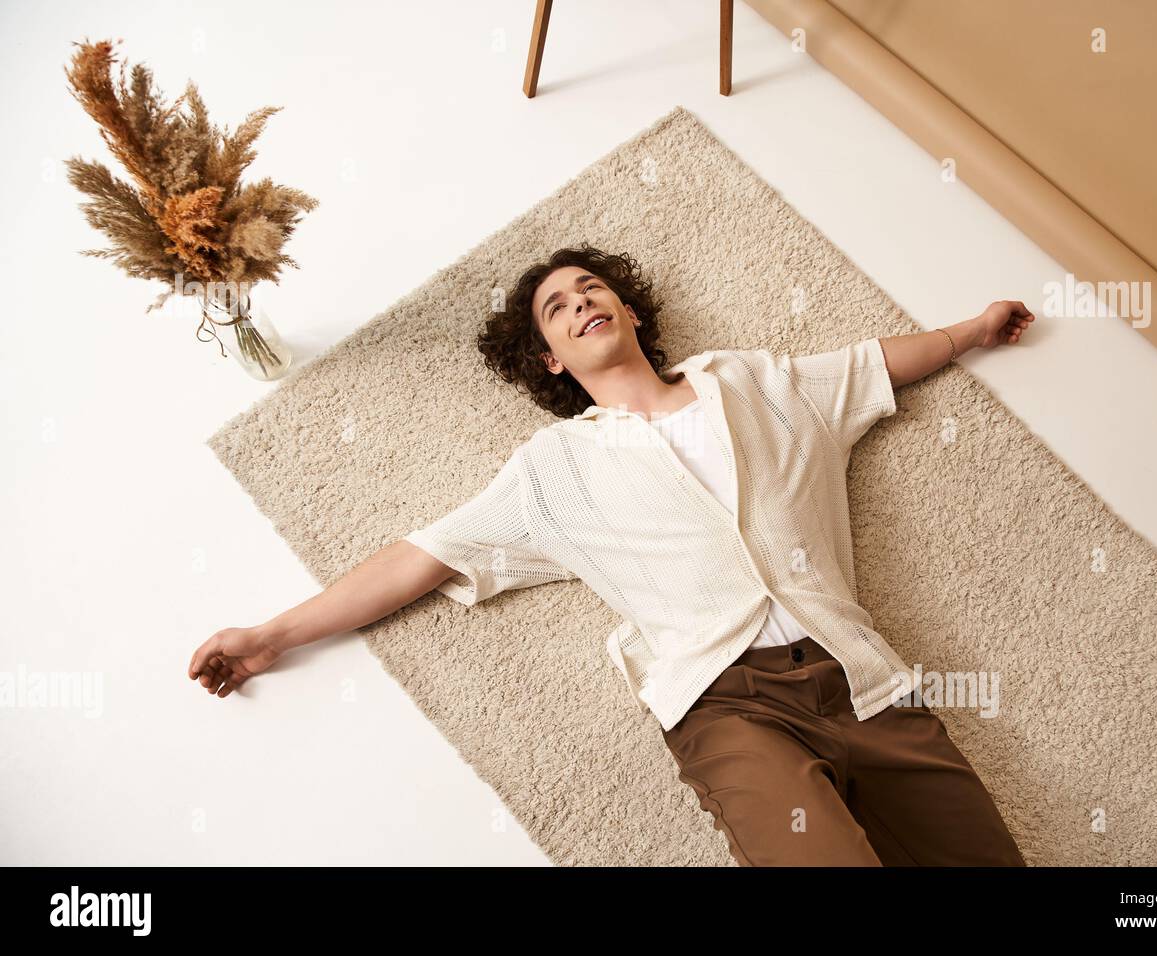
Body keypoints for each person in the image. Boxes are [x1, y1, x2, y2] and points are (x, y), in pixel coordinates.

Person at [189, 242, 1035, 866]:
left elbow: (871, 365)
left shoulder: (752, 382)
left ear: (629, 312)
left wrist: (973, 331)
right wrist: (266, 637)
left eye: (593, 289)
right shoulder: (556, 468)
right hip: (728, 702)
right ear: (552, 359)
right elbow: (421, 556)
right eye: (557, 308)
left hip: (865, 680)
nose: (581, 301)